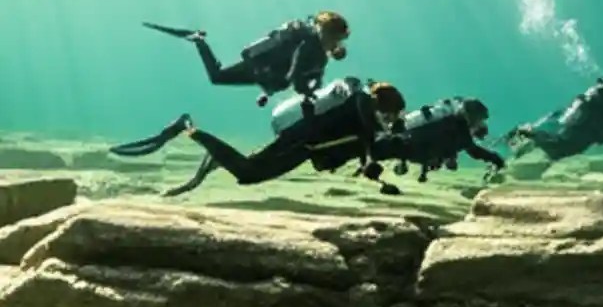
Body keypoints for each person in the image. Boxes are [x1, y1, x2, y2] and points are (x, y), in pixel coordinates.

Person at [111, 79, 407, 196]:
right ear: (384, 105)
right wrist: (372, 162)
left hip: (301, 145)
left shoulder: (362, 111)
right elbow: (365, 142)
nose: (390, 122)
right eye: (391, 115)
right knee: (248, 173)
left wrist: (379, 179)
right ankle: (188, 127)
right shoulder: (363, 107)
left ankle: (210, 150)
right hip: (299, 140)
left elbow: (360, 148)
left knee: (249, 173)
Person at [142, 11, 350, 108]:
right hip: (260, 68)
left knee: (217, 76)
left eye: (338, 40)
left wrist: (313, 88)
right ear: (325, 32)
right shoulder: (309, 45)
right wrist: (307, 92)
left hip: (264, 70)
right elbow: (296, 73)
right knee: (217, 77)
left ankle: (199, 40)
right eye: (335, 38)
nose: (335, 43)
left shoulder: (319, 50)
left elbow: (315, 73)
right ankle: (198, 40)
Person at [386, 96, 505, 183]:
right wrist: (495, 159)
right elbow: (473, 150)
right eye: (478, 119)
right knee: (442, 160)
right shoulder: (457, 129)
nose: (479, 123)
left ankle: (402, 164)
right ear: (471, 116)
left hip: (411, 146)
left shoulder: (448, 121)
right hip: (418, 151)